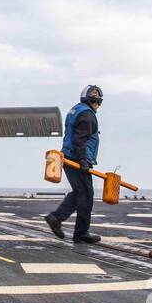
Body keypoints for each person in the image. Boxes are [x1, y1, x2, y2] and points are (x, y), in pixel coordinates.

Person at [45, 85, 104, 244]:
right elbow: (80, 139)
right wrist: (84, 159)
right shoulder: (88, 115)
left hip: (69, 156)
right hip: (77, 159)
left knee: (79, 193)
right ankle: (80, 232)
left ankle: (57, 218)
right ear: (95, 101)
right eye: (98, 102)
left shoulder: (76, 110)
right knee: (86, 195)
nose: (98, 105)